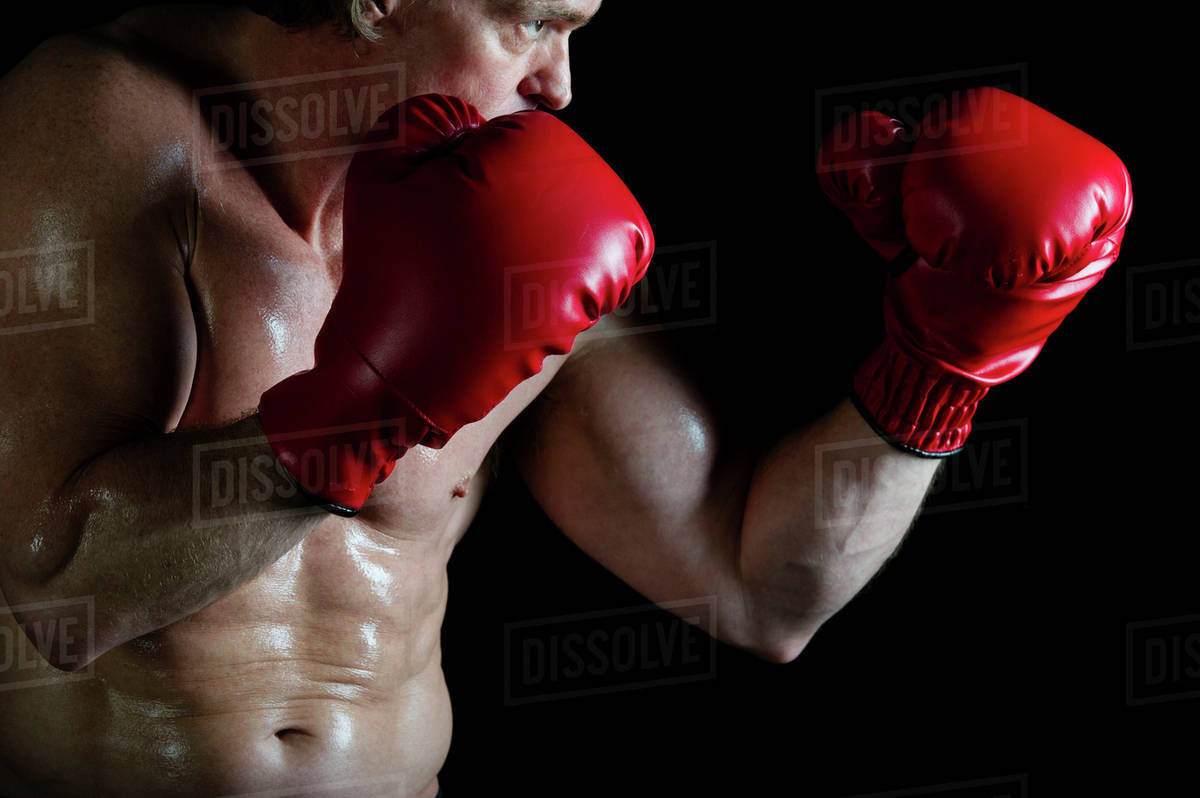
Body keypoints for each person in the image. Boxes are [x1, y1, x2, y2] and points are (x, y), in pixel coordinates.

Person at [0, 0, 1132, 795]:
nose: (561, 84)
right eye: (536, 23)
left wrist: (941, 368)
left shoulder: (511, 222)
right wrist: (363, 414)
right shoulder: (102, 120)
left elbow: (756, 586)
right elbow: (57, 598)